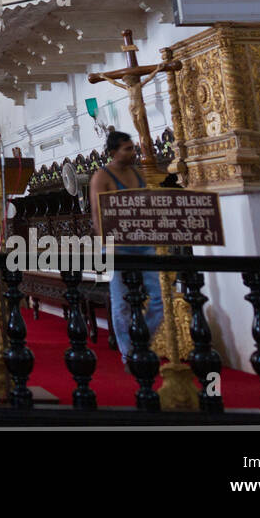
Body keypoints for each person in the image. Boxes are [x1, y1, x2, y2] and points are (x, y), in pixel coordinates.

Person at [89, 130, 163, 367]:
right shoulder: (102, 177)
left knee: (159, 299)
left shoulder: (137, 173)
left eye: (133, 148)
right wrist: (107, 247)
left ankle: (140, 342)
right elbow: (98, 215)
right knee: (121, 303)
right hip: (116, 247)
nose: (133, 152)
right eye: (127, 149)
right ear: (113, 152)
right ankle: (128, 354)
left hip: (143, 243)